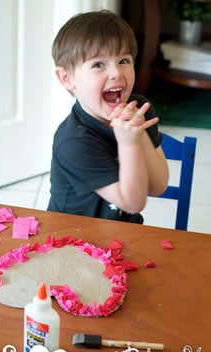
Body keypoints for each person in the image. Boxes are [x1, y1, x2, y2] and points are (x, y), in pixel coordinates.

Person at [48, 10, 168, 223]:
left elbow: (158, 186)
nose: (116, 73)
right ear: (67, 78)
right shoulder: (74, 141)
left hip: (123, 232)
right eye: (98, 64)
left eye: (123, 60)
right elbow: (132, 203)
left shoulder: (139, 110)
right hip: (73, 239)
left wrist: (139, 134)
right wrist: (130, 143)